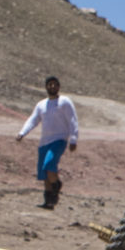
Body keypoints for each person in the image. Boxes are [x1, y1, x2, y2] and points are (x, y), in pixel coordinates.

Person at [15, 75, 79, 209]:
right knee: (43, 173)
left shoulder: (65, 102)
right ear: (46, 87)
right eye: (49, 84)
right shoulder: (41, 105)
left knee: (49, 164)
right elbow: (33, 120)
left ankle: (57, 185)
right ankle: (49, 201)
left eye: (55, 84)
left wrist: (73, 139)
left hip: (59, 139)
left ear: (59, 86)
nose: (52, 87)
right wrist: (22, 133)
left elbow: (72, 120)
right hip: (44, 141)